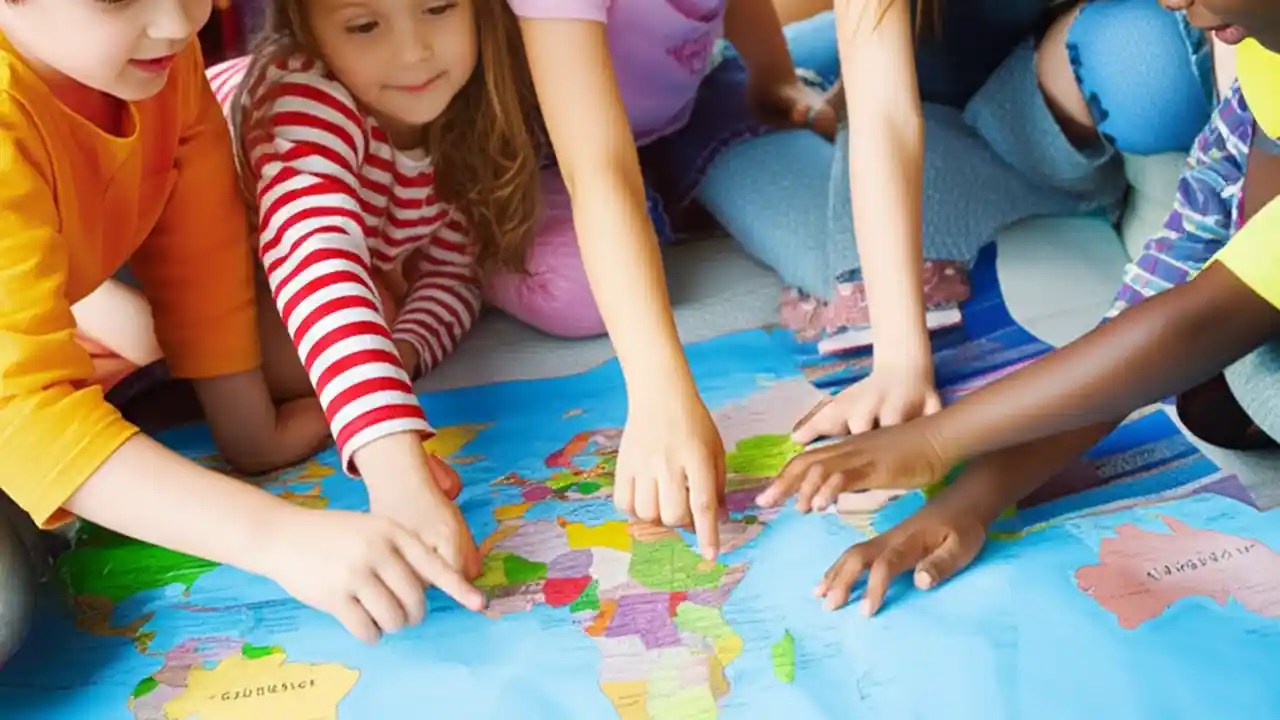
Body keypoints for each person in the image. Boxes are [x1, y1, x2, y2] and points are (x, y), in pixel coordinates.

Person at [757, 0, 1280, 617]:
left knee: (1250, 379)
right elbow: (1151, 320)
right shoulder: (1256, 79)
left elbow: (1197, 322)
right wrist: (972, 498)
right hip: (960, 79)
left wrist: (934, 442)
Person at [0, 0, 483, 665]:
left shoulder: (159, 58)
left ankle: (82, 307)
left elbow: (197, 246)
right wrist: (279, 537)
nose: (178, 23)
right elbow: (20, 414)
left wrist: (247, 428)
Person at [698, 0, 1218, 439]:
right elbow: (885, 118)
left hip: (1040, 78)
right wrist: (901, 362)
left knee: (1149, 63)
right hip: (903, 62)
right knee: (717, 109)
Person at [502, 0, 840, 560]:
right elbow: (599, 169)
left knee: (836, 247)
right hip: (562, 147)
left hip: (695, 96)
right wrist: (660, 394)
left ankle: (668, 193)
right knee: (576, 288)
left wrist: (776, 77)